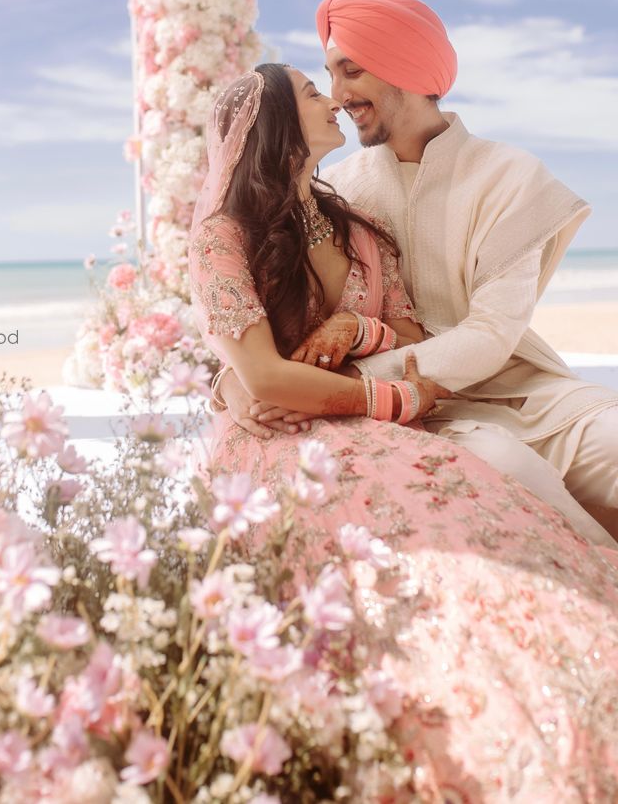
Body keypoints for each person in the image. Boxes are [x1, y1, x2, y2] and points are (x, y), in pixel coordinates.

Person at [188, 63, 618, 795]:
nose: (330, 97)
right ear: (279, 127)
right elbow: (260, 378)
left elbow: (411, 329)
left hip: (372, 416)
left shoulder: (354, 220)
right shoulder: (222, 236)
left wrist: (358, 332)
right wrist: (250, 385)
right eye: (313, 91)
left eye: (335, 79)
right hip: (280, 441)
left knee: (509, 480)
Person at [221, 0, 618, 541]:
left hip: (523, 392)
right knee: (510, 474)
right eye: (328, 77)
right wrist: (239, 381)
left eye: (351, 71)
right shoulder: (340, 190)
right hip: (412, 416)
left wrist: (338, 380)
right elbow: (263, 302)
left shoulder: (511, 178)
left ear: (403, 67)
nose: (338, 96)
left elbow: (488, 337)